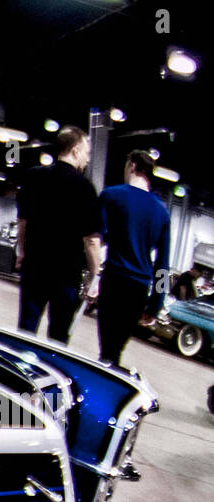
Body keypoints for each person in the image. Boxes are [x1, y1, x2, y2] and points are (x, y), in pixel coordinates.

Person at [15, 126, 103, 343]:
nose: (88, 158)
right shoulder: (85, 188)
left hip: (35, 266)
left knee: (26, 327)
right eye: (87, 152)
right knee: (59, 335)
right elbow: (91, 240)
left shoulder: (33, 177)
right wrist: (95, 275)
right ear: (75, 150)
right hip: (66, 274)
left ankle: (19, 371)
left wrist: (22, 252)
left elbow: (22, 223)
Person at [95, 150, 171, 368]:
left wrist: (92, 276)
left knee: (108, 348)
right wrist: (156, 303)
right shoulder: (162, 213)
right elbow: (162, 265)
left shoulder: (111, 195)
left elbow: (97, 238)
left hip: (114, 280)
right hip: (138, 289)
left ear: (132, 165)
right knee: (116, 348)